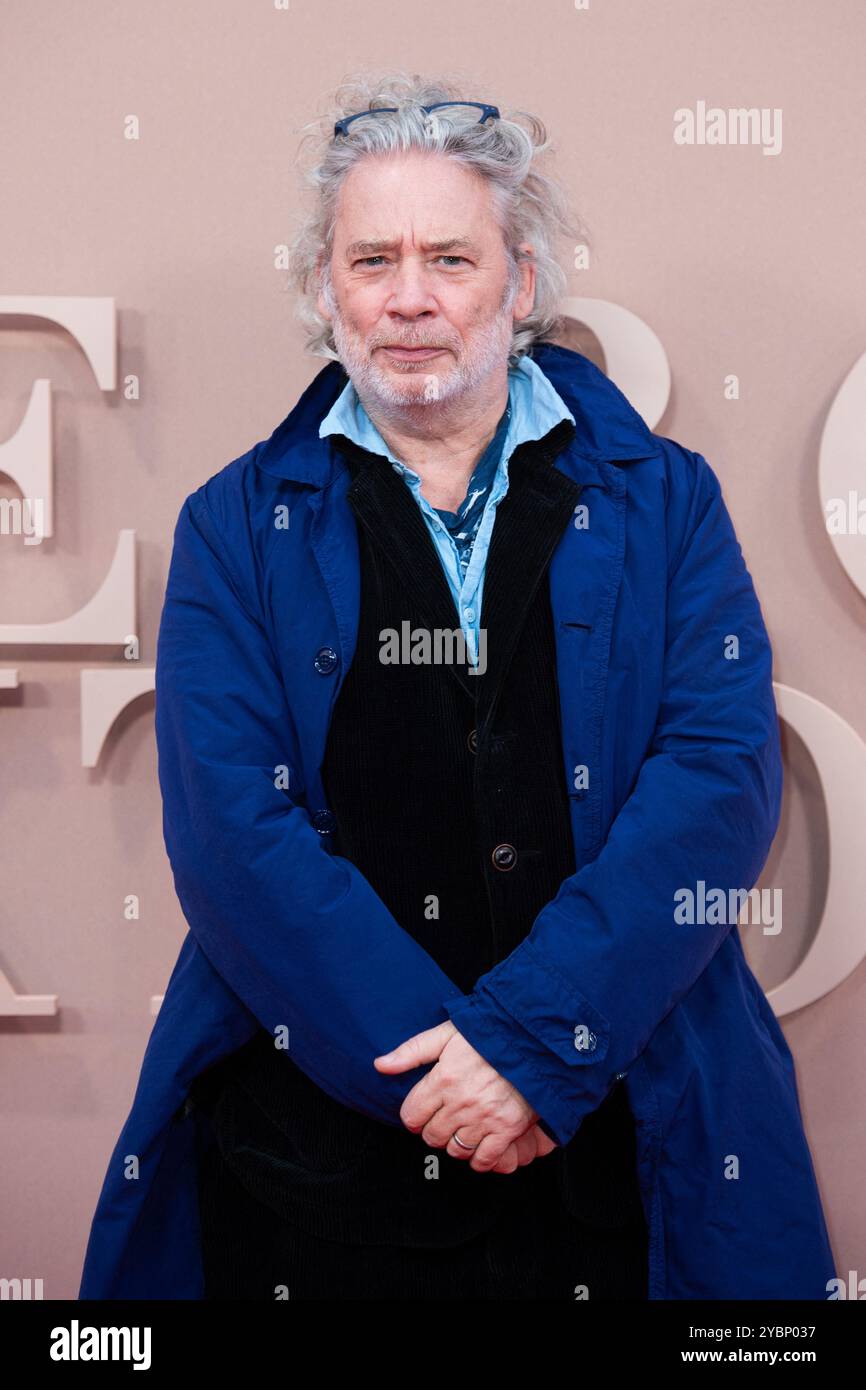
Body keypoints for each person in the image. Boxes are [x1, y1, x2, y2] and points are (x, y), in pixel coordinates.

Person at [78, 72, 837, 1301]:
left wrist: (533, 1052)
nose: (410, 299)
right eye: (371, 260)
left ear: (521, 283)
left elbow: (715, 777)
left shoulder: (666, 497)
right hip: (315, 1179)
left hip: (616, 1141)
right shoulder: (232, 525)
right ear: (325, 291)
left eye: (451, 257)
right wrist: (453, 1083)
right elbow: (230, 831)